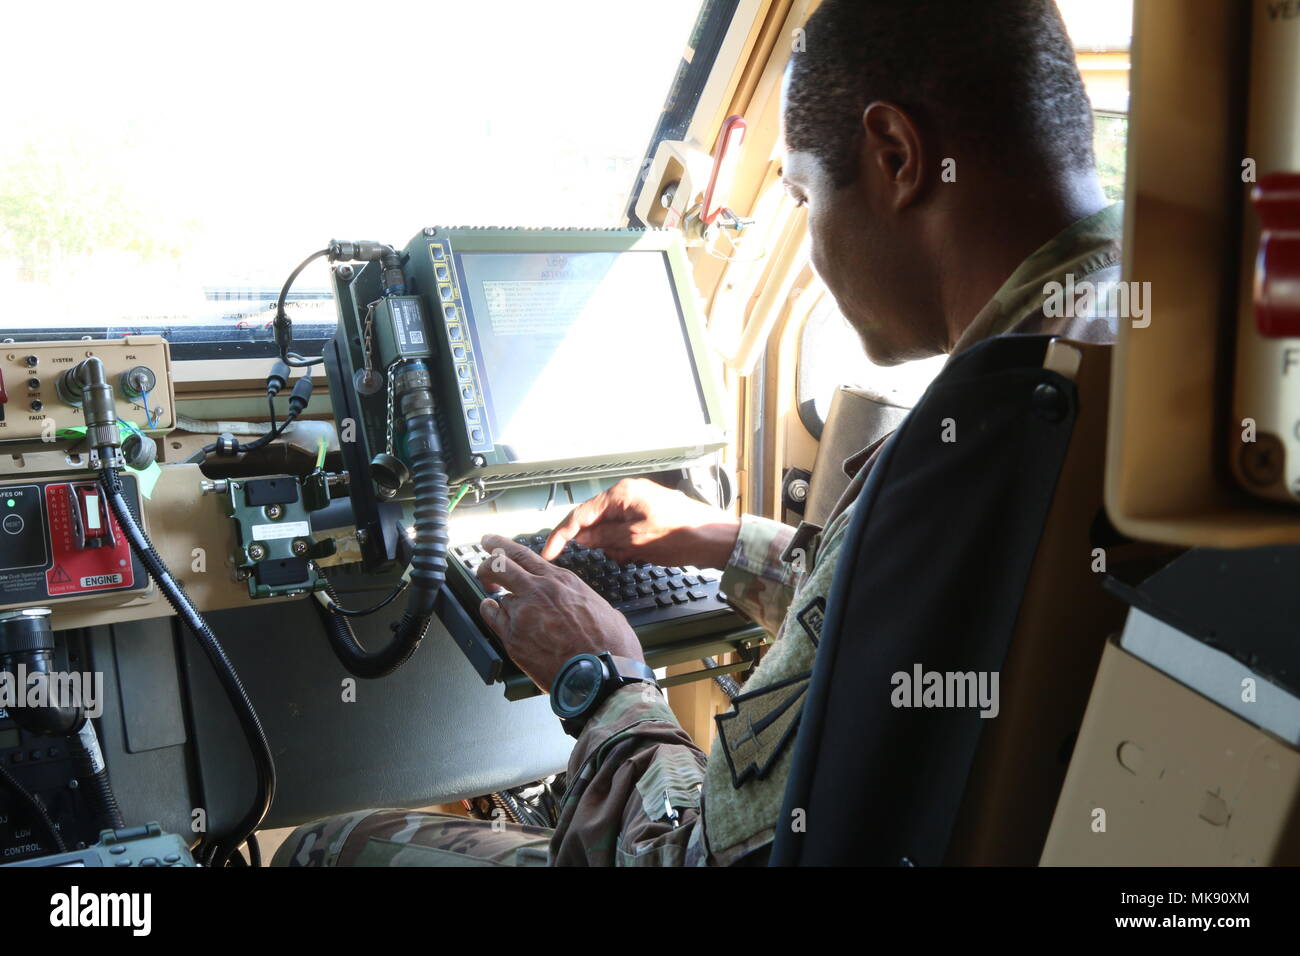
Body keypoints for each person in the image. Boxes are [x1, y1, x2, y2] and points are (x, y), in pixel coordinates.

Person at [275, 0, 1123, 867]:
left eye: (801, 195)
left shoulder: (967, 446)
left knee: (327, 846)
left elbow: (688, 861)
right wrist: (723, 542)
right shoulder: (1126, 362)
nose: (815, 245)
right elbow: (908, 629)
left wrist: (601, 679)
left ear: (897, 158)